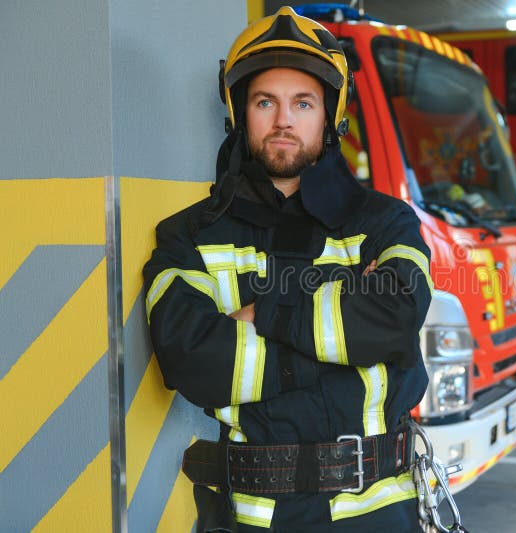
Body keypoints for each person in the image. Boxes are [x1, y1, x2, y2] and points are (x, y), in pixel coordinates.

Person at [143, 7, 432, 531]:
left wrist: (267, 316)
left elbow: (394, 320)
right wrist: (352, 348)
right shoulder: (187, 238)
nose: (283, 120)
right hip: (254, 518)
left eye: (303, 102)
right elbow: (195, 364)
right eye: (264, 102)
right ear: (239, 113)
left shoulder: (388, 223)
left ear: (328, 117)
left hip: (383, 512)